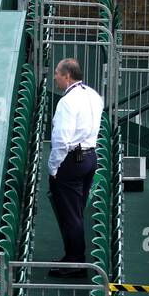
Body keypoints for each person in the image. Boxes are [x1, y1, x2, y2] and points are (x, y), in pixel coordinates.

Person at [48, 58, 103, 277]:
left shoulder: (67, 102)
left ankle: (75, 262)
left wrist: (53, 168)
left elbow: (61, 140)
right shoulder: (93, 94)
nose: (55, 77)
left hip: (72, 162)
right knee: (76, 212)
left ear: (67, 76)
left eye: (57, 74)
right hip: (89, 157)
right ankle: (73, 256)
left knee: (71, 215)